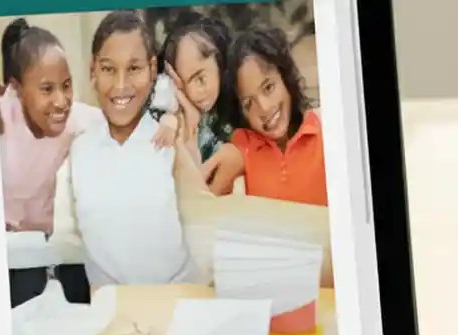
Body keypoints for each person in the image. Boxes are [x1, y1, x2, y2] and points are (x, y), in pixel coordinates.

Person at [67, 11, 197, 287]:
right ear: (92, 71)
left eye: (134, 68)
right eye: (108, 69)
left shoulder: (172, 145)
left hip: (175, 302)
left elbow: (205, 233)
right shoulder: (79, 152)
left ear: (152, 69)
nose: (121, 85)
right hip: (109, 315)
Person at [223, 27, 328, 207]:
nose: (264, 108)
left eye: (268, 88)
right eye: (249, 103)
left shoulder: (325, 133)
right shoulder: (243, 147)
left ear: (285, 78)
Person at [159, 13, 243, 195]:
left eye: (200, 78)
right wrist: (189, 122)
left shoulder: (242, 104)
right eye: (184, 82)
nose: (194, 92)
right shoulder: (174, 119)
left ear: (220, 63)